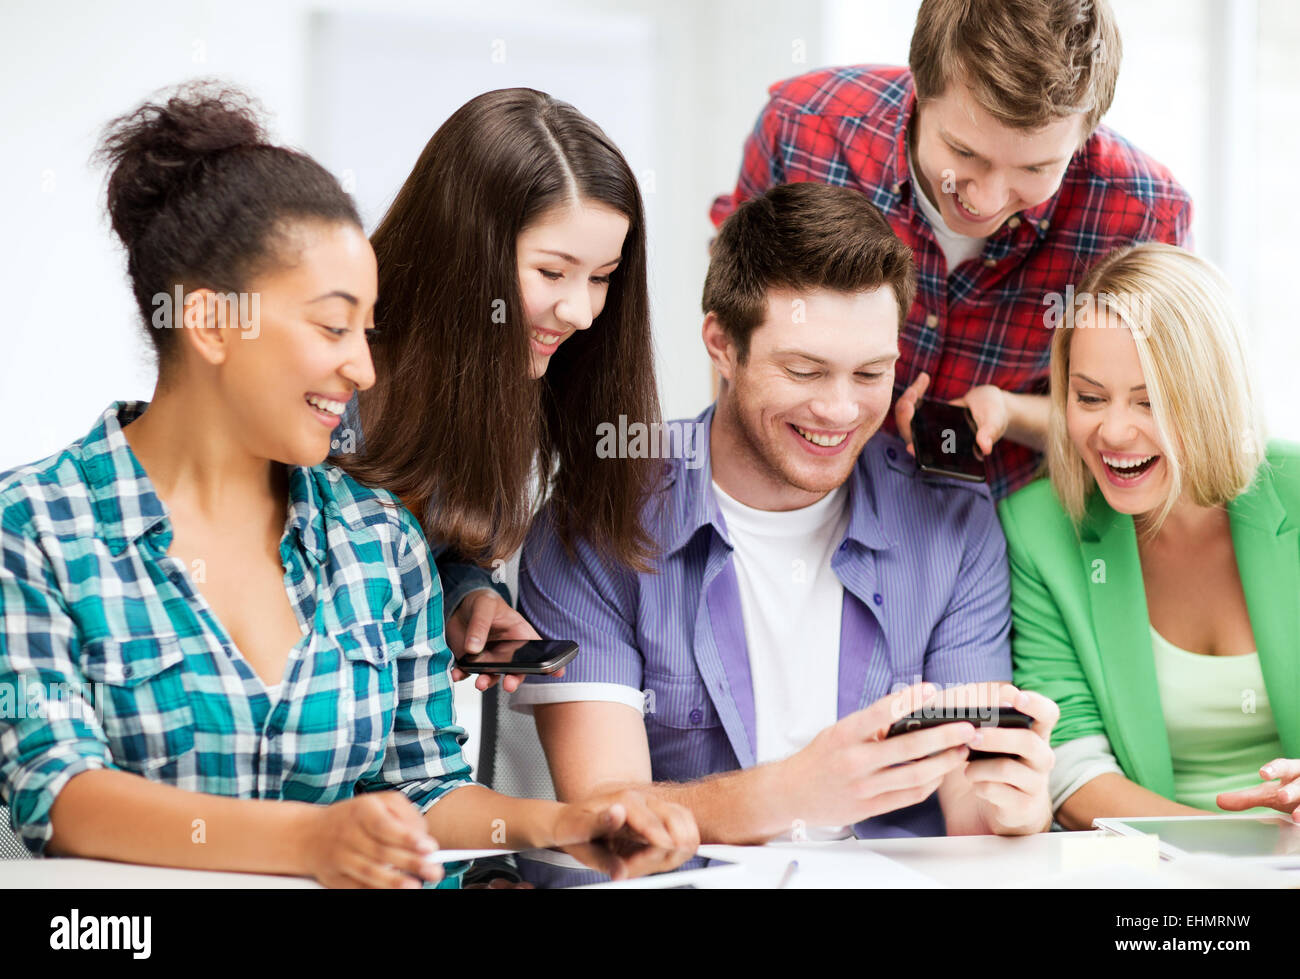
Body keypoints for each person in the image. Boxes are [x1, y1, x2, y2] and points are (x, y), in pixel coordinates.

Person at [0, 84, 698, 885]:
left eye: (367, 330)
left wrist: (573, 823)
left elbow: (424, 788)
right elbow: (58, 792)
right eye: (335, 327)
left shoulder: (379, 538)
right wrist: (311, 840)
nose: (364, 369)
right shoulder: (35, 527)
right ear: (210, 321)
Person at [511, 182, 1059, 861]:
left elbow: (969, 810)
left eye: (870, 373)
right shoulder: (595, 519)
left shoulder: (954, 523)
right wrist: (795, 791)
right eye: (804, 370)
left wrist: (1016, 806)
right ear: (721, 345)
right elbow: (602, 813)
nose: (839, 410)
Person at [710, 0, 1191, 500]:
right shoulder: (801, 128)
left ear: (1086, 130)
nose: (985, 199)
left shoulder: (1145, 215)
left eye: (1034, 170)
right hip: (801, 504)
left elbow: (1161, 425)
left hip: (1014, 526)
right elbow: (737, 323)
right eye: (964, 153)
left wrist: (1009, 413)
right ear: (919, 87)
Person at [339, 88, 661, 695]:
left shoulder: (512, 377)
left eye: (601, 279)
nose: (582, 313)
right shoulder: (324, 382)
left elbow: (434, 556)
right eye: (551, 272)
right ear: (464, 248)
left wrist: (464, 596)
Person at [998, 242, 1300, 829]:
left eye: (1150, 401)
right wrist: (1223, 852)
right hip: (1152, 870)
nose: (1112, 431)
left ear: (1212, 399)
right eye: (1089, 398)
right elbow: (1074, 770)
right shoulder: (1038, 530)